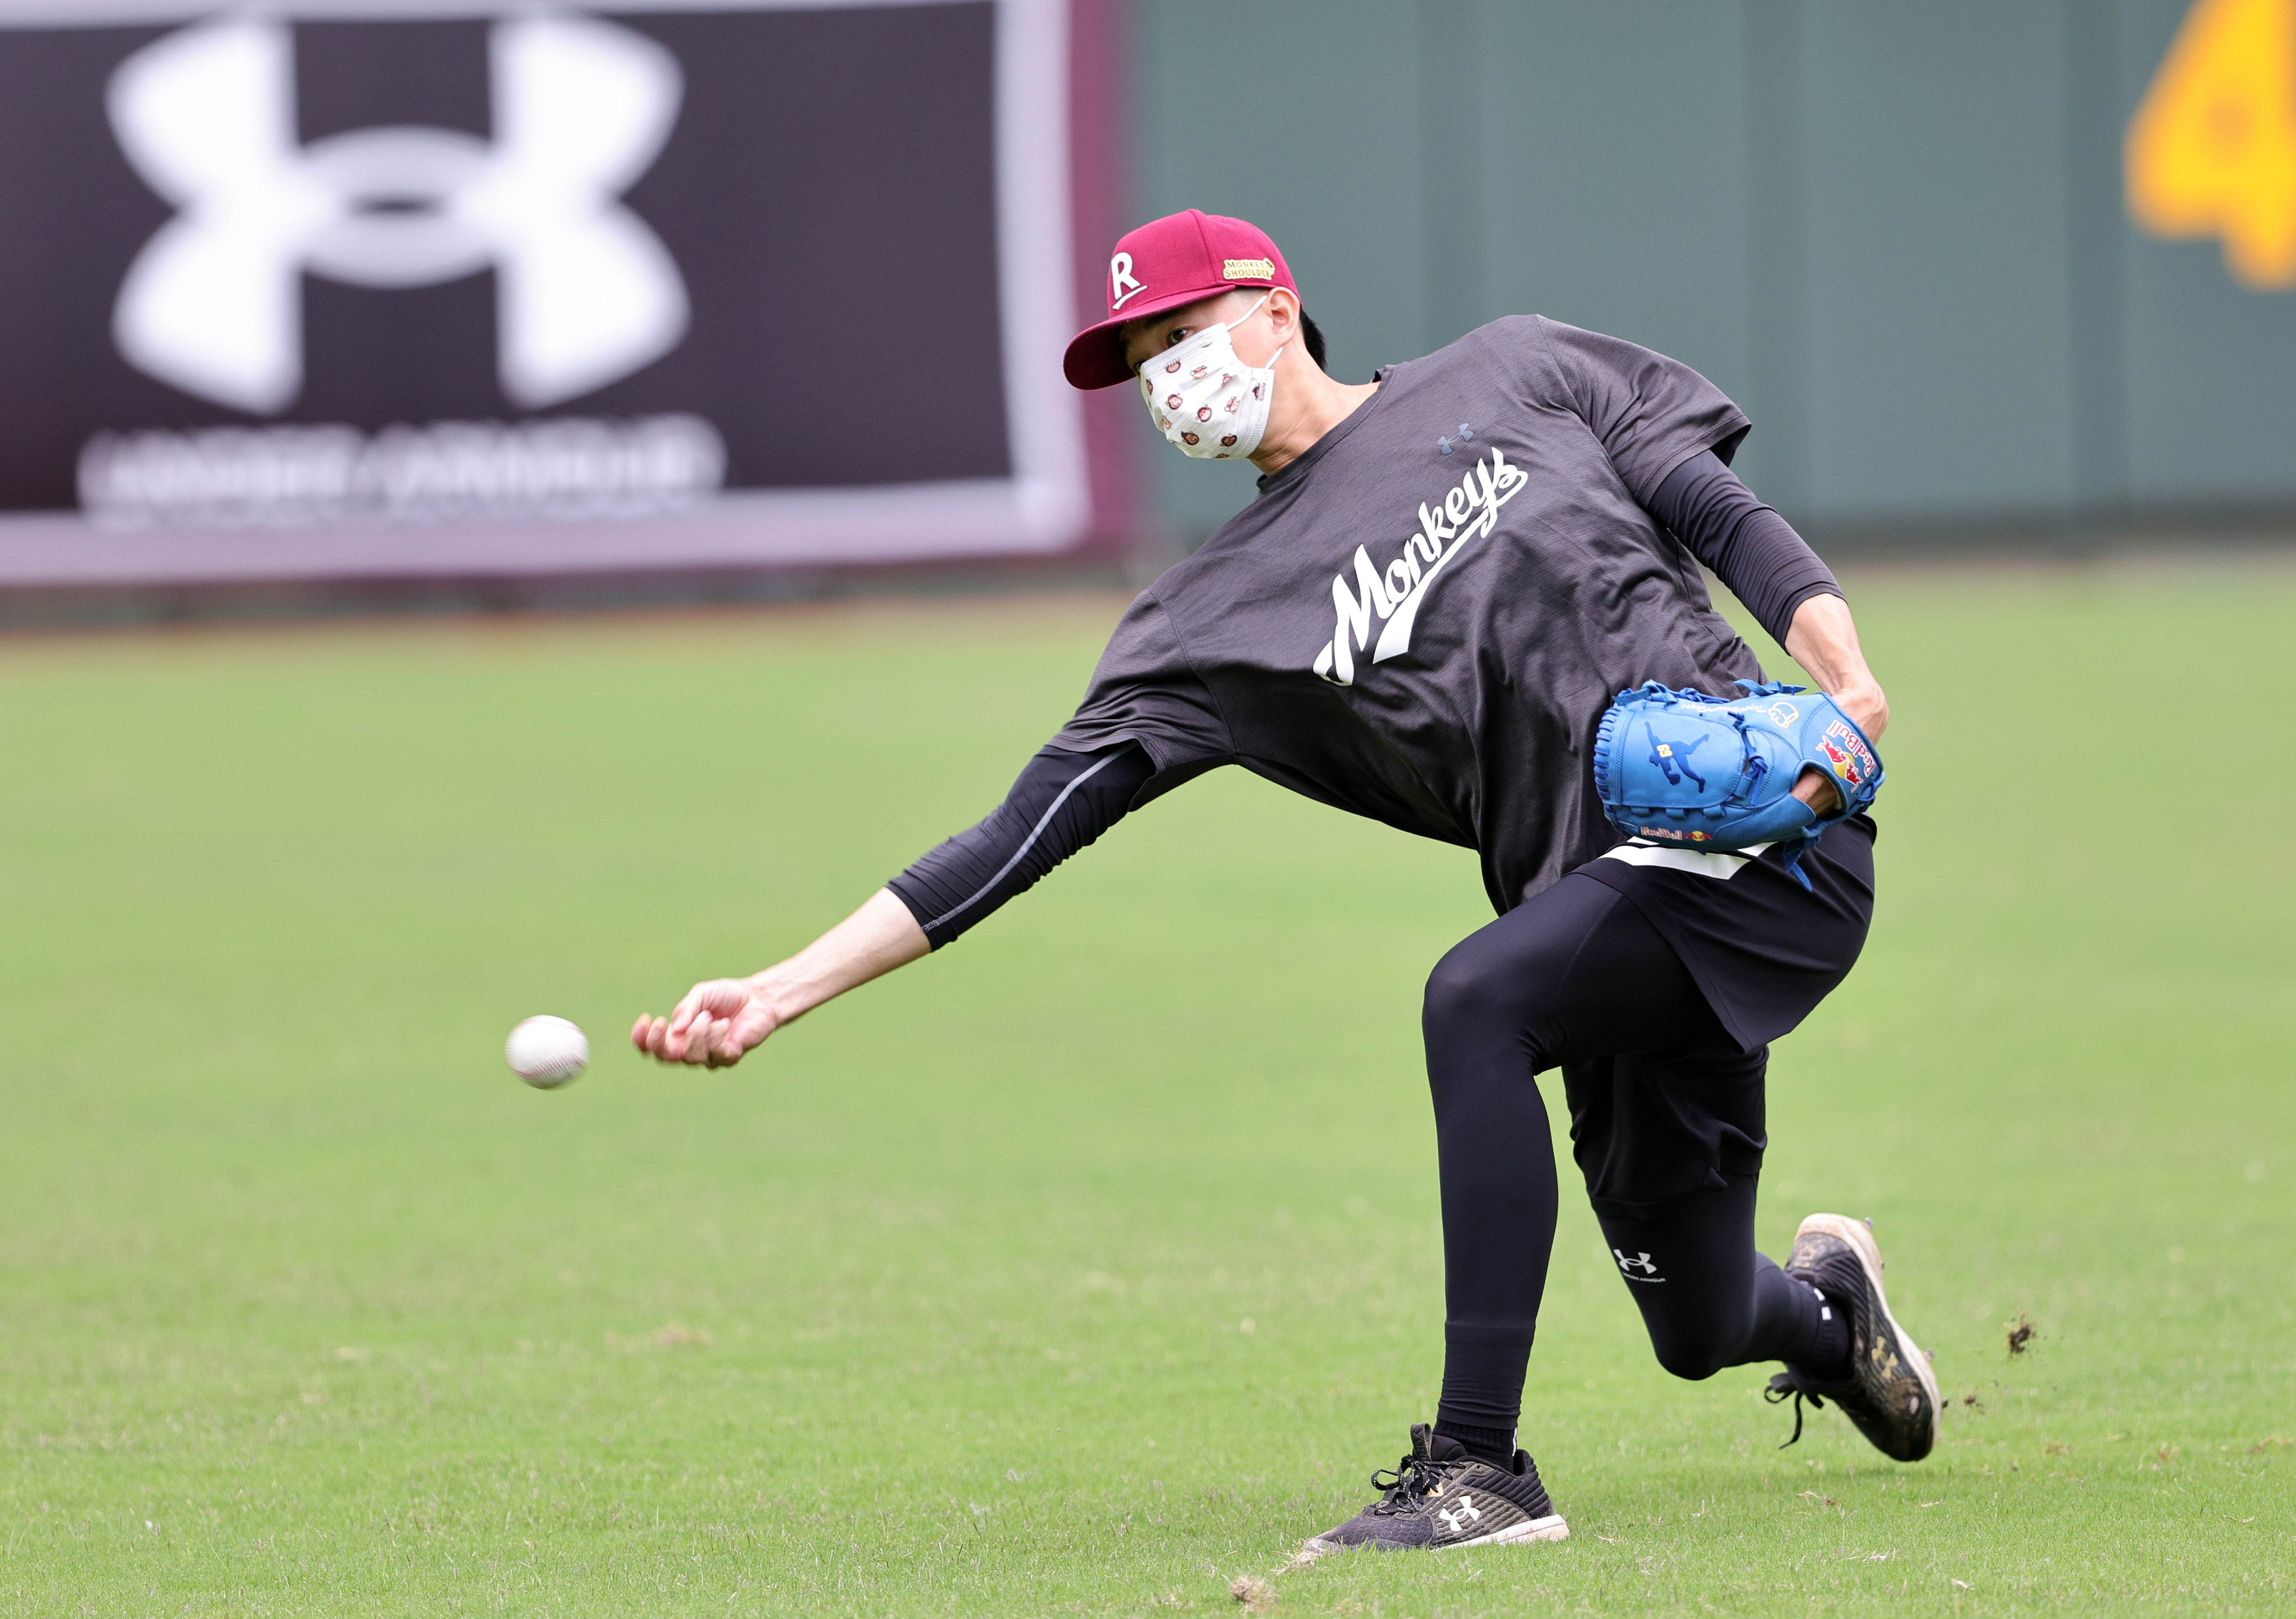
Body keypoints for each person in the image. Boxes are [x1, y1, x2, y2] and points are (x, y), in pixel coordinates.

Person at [632, 209, 1940, 1552]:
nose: (1165, 378)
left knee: (1475, 1002)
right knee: (1697, 1318)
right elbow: (1022, 831)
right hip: (1594, 915)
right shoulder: (1209, 621)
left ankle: (1479, 1472)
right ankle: (1830, 1316)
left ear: (1273, 307)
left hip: (1769, 828)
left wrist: (1843, 679)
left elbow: (1709, 505)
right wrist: (782, 988)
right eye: (1138, 362)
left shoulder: (1515, 367)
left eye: (1178, 334)